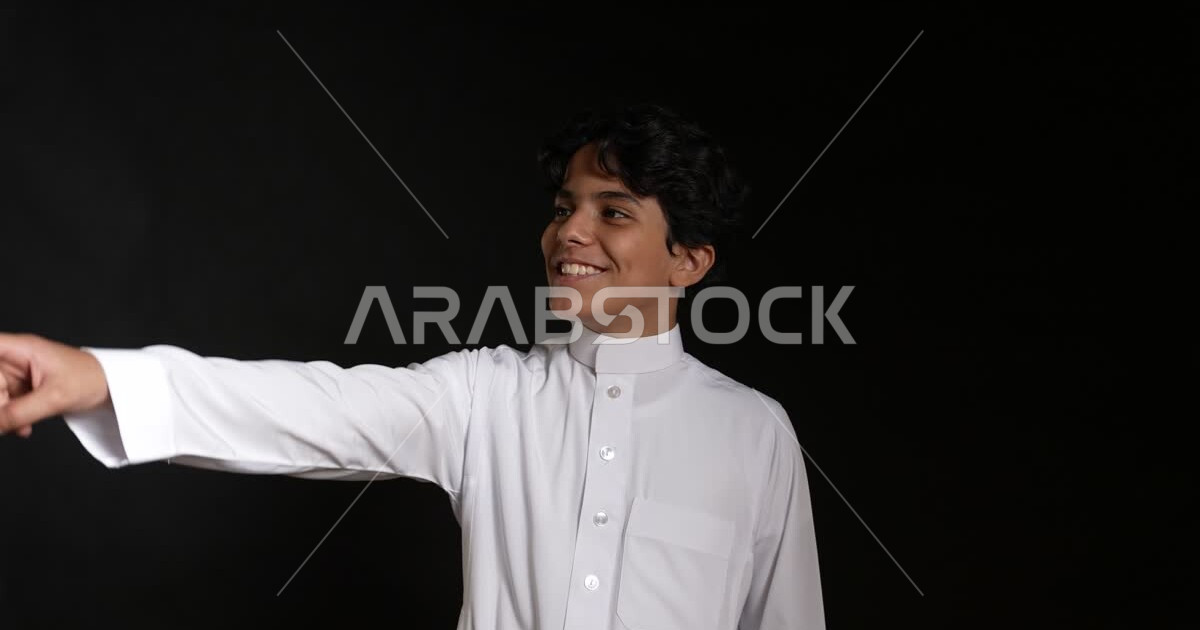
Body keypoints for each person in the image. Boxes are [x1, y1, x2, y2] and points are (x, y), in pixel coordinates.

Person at [0, 104, 825, 629]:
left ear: (689, 261)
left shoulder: (754, 434)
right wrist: (100, 379)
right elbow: (315, 411)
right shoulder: (487, 395)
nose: (570, 233)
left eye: (612, 212)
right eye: (563, 207)